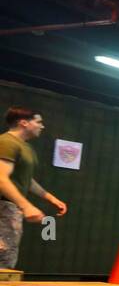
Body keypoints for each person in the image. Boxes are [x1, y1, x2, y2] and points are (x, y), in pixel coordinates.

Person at [0, 107, 68, 268]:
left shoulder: (26, 147)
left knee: (6, 259)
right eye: (38, 122)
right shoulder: (7, 142)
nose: (42, 126)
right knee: (3, 259)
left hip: (11, 208)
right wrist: (26, 206)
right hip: (3, 206)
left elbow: (26, 179)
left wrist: (51, 198)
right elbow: (1, 178)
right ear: (24, 123)